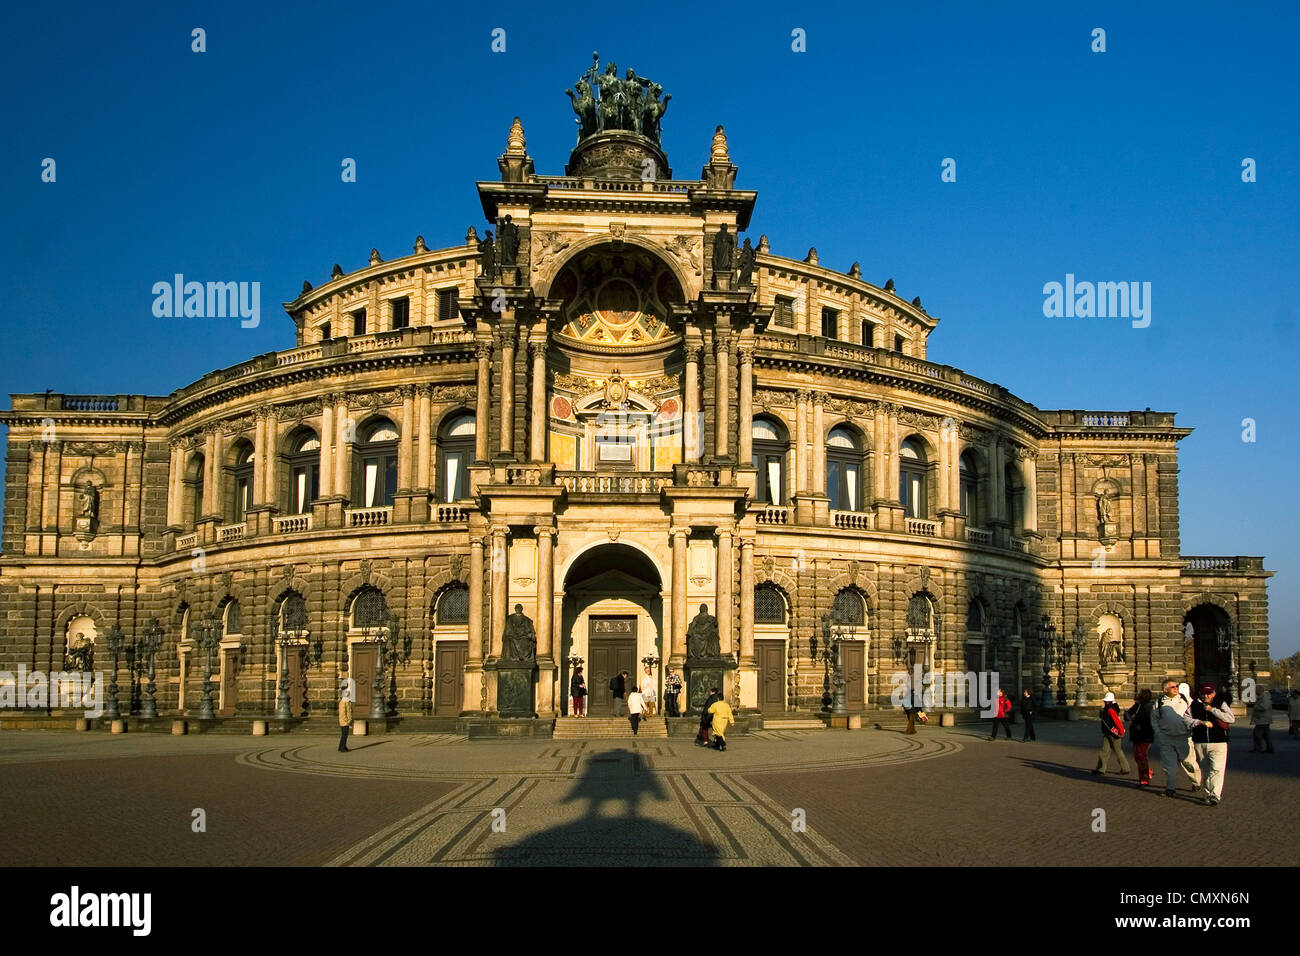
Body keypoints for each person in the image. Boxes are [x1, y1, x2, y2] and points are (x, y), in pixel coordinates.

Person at [1155, 679, 1204, 796]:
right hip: (1166, 738)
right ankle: (1170, 788)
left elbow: (1195, 714)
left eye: (1176, 686)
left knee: (1189, 762)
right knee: (1169, 765)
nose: (1176, 688)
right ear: (1165, 690)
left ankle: (1196, 782)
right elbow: (1154, 720)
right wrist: (1159, 734)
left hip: (1184, 737)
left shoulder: (1186, 699)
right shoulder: (1159, 703)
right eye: (1173, 687)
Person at [1190, 683, 1235, 806]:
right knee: (1206, 769)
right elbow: (1186, 719)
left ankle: (1215, 795)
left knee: (1217, 769)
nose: (1206, 696)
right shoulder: (1194, 705)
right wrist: (1198, 722)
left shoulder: (1220, 703)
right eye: (1204, 693)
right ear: (1200, 693)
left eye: (1209, 693)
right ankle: (1209, 792)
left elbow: (1230, 718)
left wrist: (1213, 710)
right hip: (1200, 741)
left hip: (1219, 741)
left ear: (1213, 693)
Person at [1092, 692, 1131, 775]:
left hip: (1112, 733)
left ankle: (1125, 768)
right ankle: (1101, 769)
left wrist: (1121, 731)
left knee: (1115, 751)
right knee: (1105, 751)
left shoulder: (1109, 710)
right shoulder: (1112, 708)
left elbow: (1117, 722)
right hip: (1110, 733)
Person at [1124, 689, 1156, 786]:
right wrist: (1128, 715)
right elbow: (1127, 715)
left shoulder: (1149, 707)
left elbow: (1149, 722)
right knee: (1138, 757)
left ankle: (1144, 778)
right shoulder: (1138, 705)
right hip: (1137, 735)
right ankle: (1147, 772)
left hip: (1145, 735)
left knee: (1141, 756)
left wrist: (1136, 720)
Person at [338, 678, 355, 753]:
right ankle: (342, 748)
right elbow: (343, 712)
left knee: (345, 735)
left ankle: (343, 746)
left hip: (347, 721)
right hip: (344, 721)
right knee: (344, 735)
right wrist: (346, 720)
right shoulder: (343, 702)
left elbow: (349, 711)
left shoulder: (347, 701)